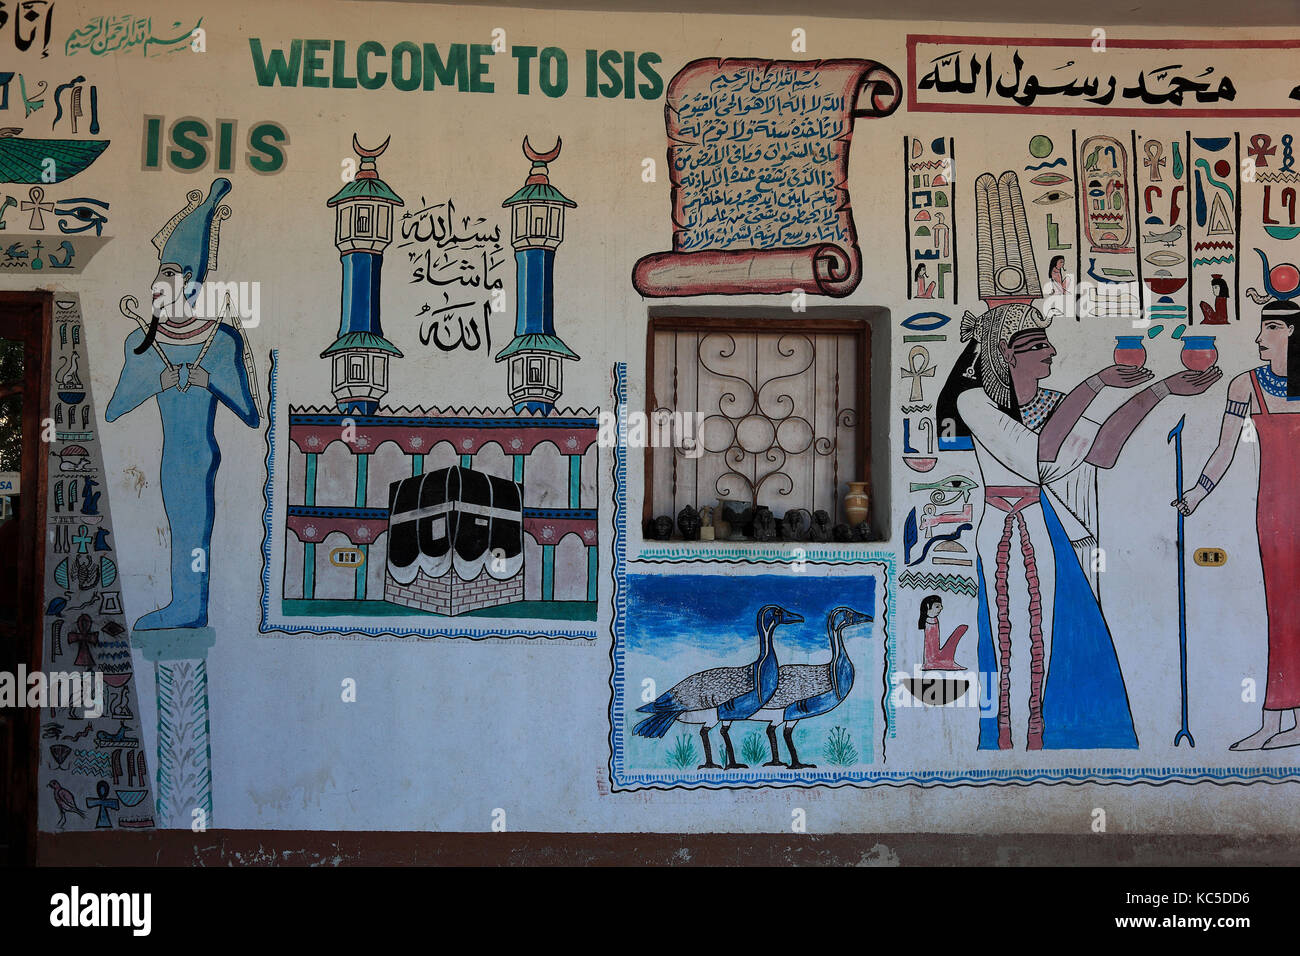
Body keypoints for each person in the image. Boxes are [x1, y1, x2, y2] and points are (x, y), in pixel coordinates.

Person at [938, 302, 1220, 749]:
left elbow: (1101, 449)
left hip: (1053, 530)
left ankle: (1066, 737)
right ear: (1007, 354)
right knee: (1017, 639)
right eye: (1036, 345)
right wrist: (1094, 385)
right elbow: (1038, 459)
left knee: (1070, 634)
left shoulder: (1053, 404)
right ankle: (1011, 742)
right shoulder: (974, 402)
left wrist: (1161, 390)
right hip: (1009, 531)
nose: (1051, 351)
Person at [105, 179, 259, 631]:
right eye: (160, 271)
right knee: (180, 525)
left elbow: (249, 412)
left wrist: (208, 379)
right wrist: (160, 379)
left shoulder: (218, 339)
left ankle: (190, 607)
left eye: (171, 272)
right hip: (172, 457)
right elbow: (115, 406)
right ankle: (183, 603)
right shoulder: (143, 340)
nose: (159, 281)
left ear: (190, 283)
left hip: (200, 455)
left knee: (194, 527)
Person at [1174, 264, 1300, 749]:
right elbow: (1224, 450)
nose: (1260, 337)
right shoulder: (1246, 385)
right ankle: (1274, 720)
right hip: (1274, 515)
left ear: (1292, 331)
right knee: (1281, 610)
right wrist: (1196, 494)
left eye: (1270, 327)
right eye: (1262, 327)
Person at [919, 594, 967, 670]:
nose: (941, 608)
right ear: (928, 606)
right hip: (932, 660)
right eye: (937, 606)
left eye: (940, 606)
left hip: (933, 660)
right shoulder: (929, 621)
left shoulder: (933, 620)